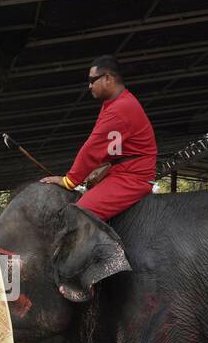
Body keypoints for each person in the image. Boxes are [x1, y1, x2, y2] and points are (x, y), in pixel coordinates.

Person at [39, 55, 158, 222]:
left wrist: (69, 181)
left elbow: (92, 149)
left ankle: (110, 250)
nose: (89, 86)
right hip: (119, 171)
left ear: (107, 78)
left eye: (92, 80)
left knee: (78, 216)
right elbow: (106, 147)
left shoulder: (120, 109)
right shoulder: (113, 103)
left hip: (132, 177)